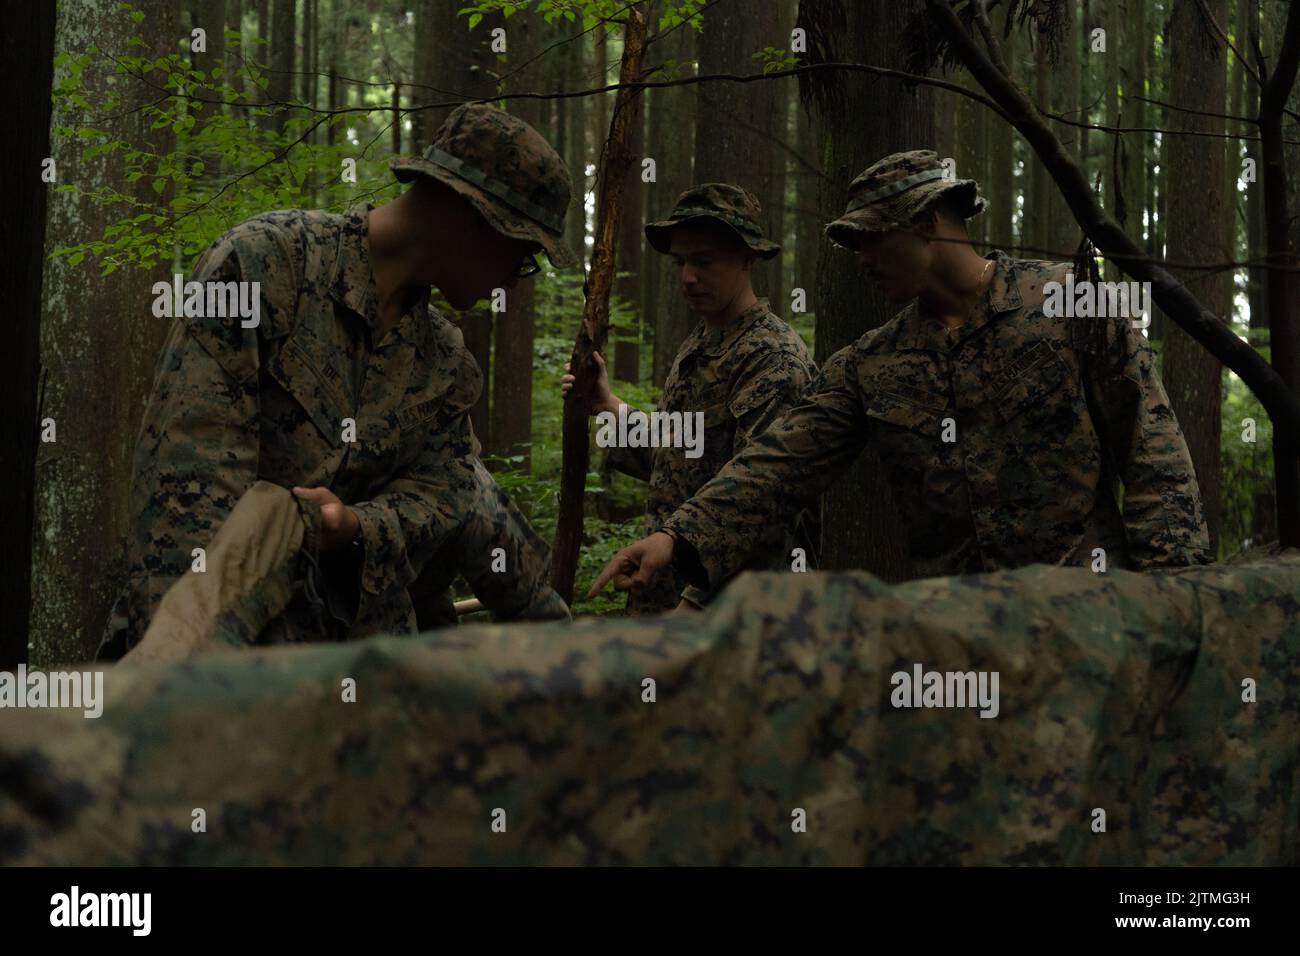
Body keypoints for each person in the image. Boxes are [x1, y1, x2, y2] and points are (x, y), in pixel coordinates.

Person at [590, 149, 1210, 603]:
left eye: (870, 240)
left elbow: (1153, 454)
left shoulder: (1070, 303)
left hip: (1091, 616)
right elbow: (775, 465)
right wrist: (678, 536)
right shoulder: (871, 364)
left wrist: (1177, 600)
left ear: (926, 222)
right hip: (956, 638)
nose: (861, 262)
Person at [101, 103, 574, 657]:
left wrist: (354, 527)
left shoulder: (446, 360)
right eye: (520, 257)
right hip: (218, 662)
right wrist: (189, 688)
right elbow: (183, 502)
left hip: (358, 679)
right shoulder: (264, 267)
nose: (514, 282)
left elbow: (445, 500)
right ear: (475, 219)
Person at [562, 184, 817, 613]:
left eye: (703, 262)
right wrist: (611, 409)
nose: (687, 277)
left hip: (728, 615)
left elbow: (763, 500)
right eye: (679, 262)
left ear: (746, 259)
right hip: (664, 595)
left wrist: (697, 604)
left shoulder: (773, 359)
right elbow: (681, 455)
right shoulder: (701, 343)